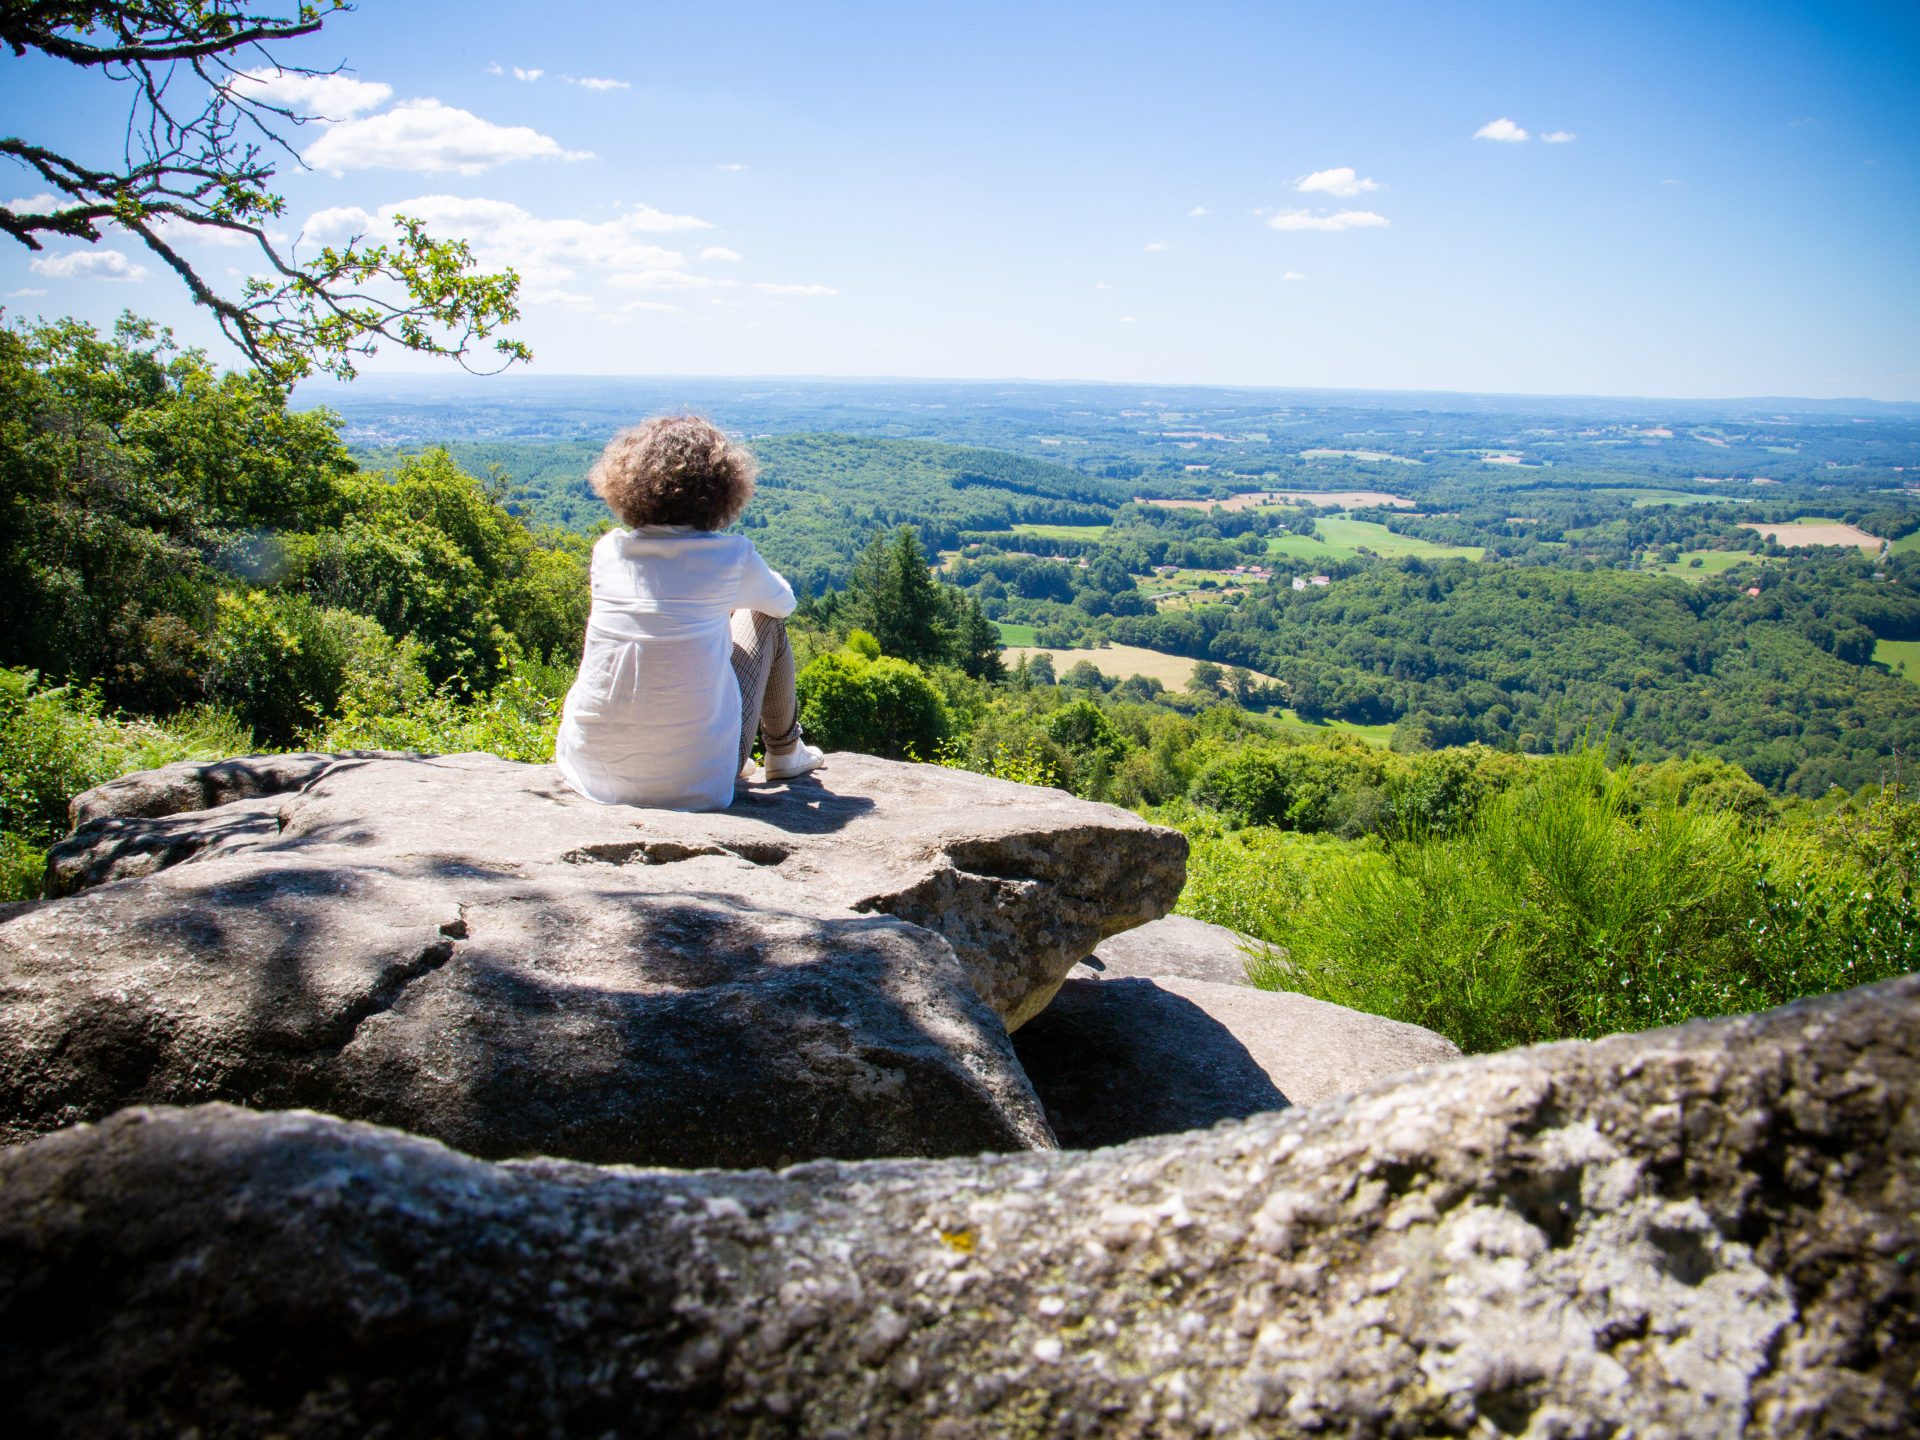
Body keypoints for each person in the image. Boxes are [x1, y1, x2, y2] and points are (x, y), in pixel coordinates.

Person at [554, 415, 823, 810]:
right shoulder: (730, 557)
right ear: (721, 488)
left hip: (592, 770)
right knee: (761, 616)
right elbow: (783, 603)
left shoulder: (609, 552)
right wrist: (731, 596)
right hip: (696, 780)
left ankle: (766, 751)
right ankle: (784, 751)